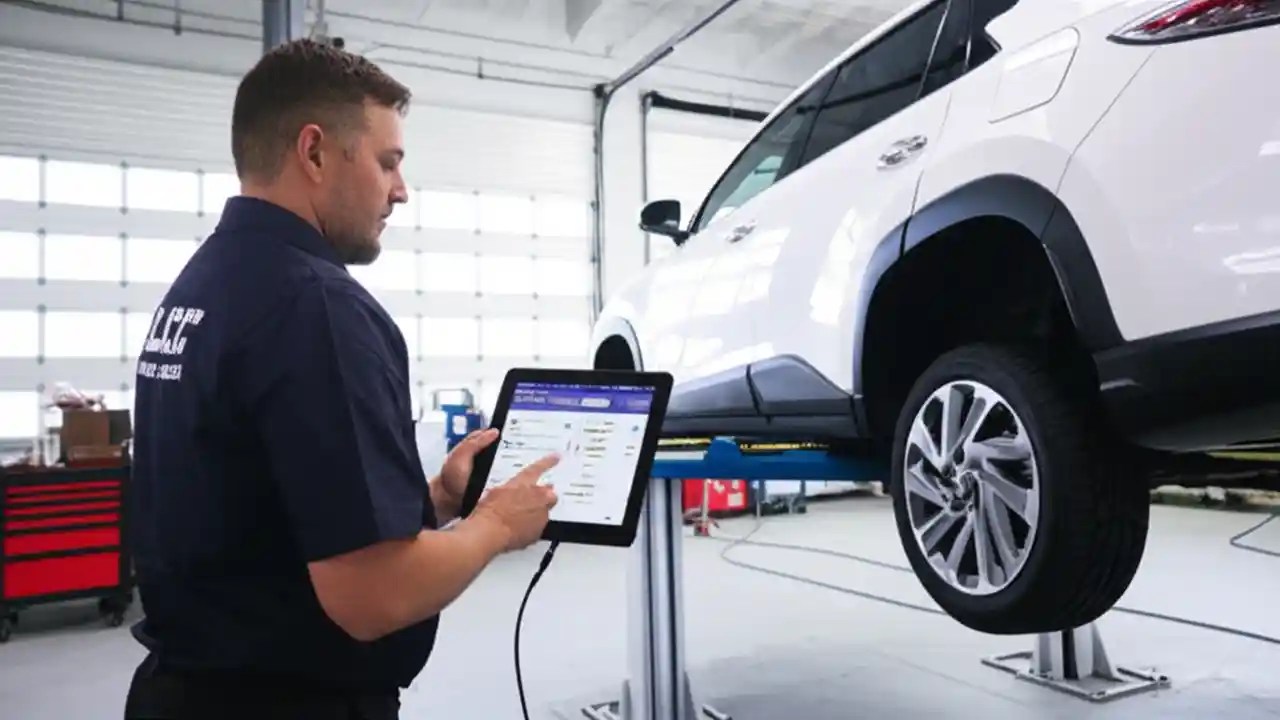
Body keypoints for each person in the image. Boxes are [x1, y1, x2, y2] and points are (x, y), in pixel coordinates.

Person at [122, 38, 559, 720]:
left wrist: (441, 499)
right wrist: (497, 524)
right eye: (388, 162)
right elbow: (371, 597)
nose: (401, 191)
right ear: (316, 152)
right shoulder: (318, 307)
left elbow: (266, 521)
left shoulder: (204, 285)